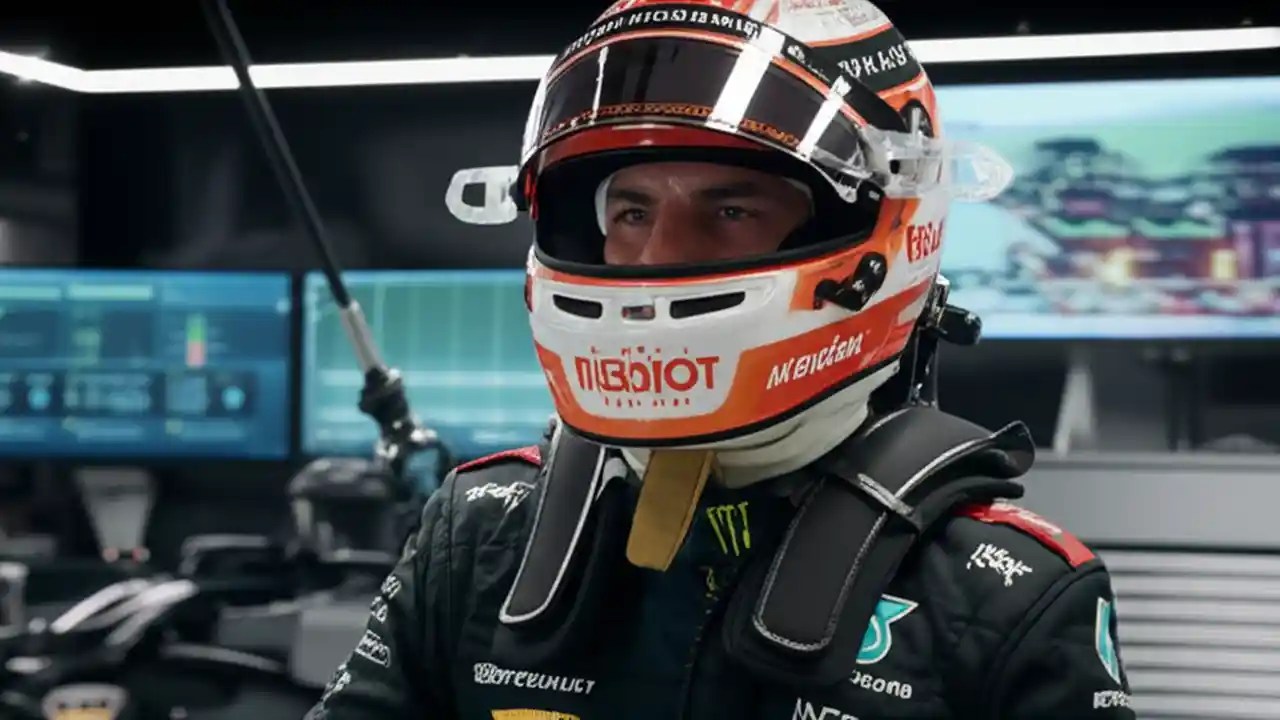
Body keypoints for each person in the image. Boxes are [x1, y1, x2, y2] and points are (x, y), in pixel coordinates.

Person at [305, 1, 1136, 718]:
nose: (657, 259)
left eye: (731, 210)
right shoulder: (478, 530)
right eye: (631, 213)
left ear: (887, 234)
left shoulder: (1003, 594)